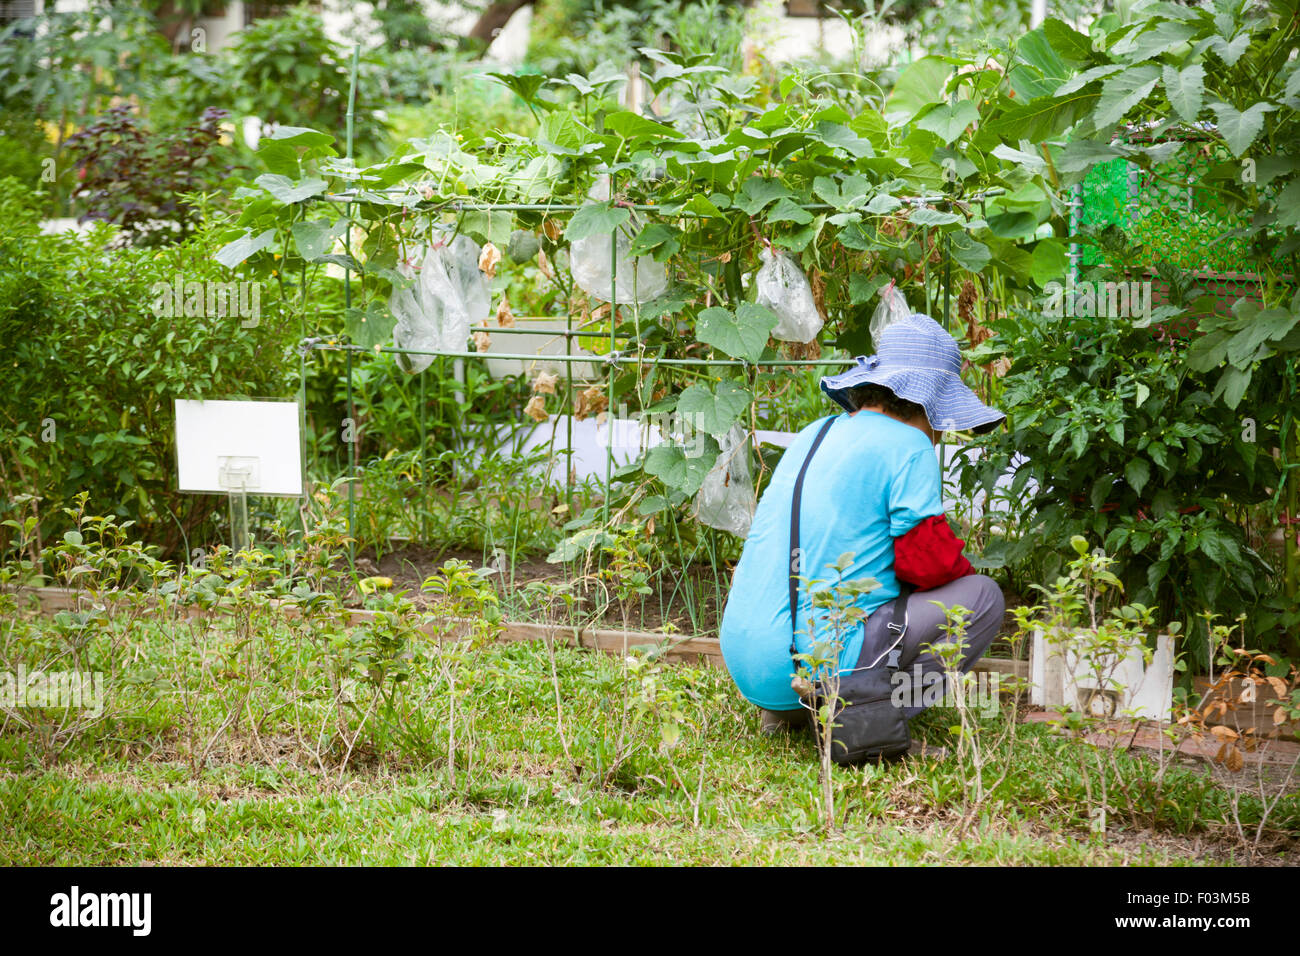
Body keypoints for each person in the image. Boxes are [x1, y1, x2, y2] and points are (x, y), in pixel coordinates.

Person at [718, 311, 1006, 753]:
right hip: (824, 664)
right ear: (929, 404)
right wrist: (959, 570)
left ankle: (784, 714)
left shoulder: (814, 433)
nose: (940, 434)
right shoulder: (910, 445)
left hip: (750, 662)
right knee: (983, 596)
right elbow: (926, 564)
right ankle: (866, 716)